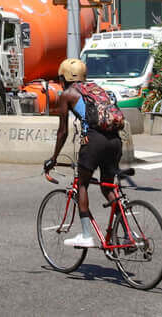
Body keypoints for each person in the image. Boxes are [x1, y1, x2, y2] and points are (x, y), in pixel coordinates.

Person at [42, 58, 126, 250]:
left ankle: (87, 235)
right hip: (115, 141)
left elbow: (63, 131)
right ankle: (127, 232)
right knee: (107, 187)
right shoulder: (97, 89)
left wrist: (54, 158)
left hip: (94, 142)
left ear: (64, 77)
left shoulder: (68, 94)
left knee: (82, 184)